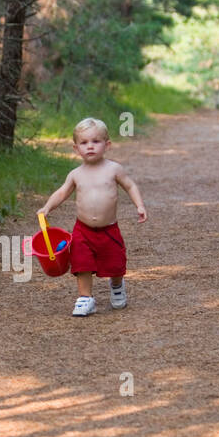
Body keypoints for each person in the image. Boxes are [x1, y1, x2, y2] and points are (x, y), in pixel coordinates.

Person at [38, 117, 147, 316]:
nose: (90, 147)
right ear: (75, 148)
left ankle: (116, 285)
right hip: (83, 230)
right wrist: (47, 207)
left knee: (115, 264)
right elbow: (62, 192)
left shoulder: (113, 169)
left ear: (107, 145)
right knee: (81, 263)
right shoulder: (75, 174)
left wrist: (139, 205)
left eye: (96, 142)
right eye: (84, 143)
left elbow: (130, 185)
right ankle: (85, 298)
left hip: (109, 229)